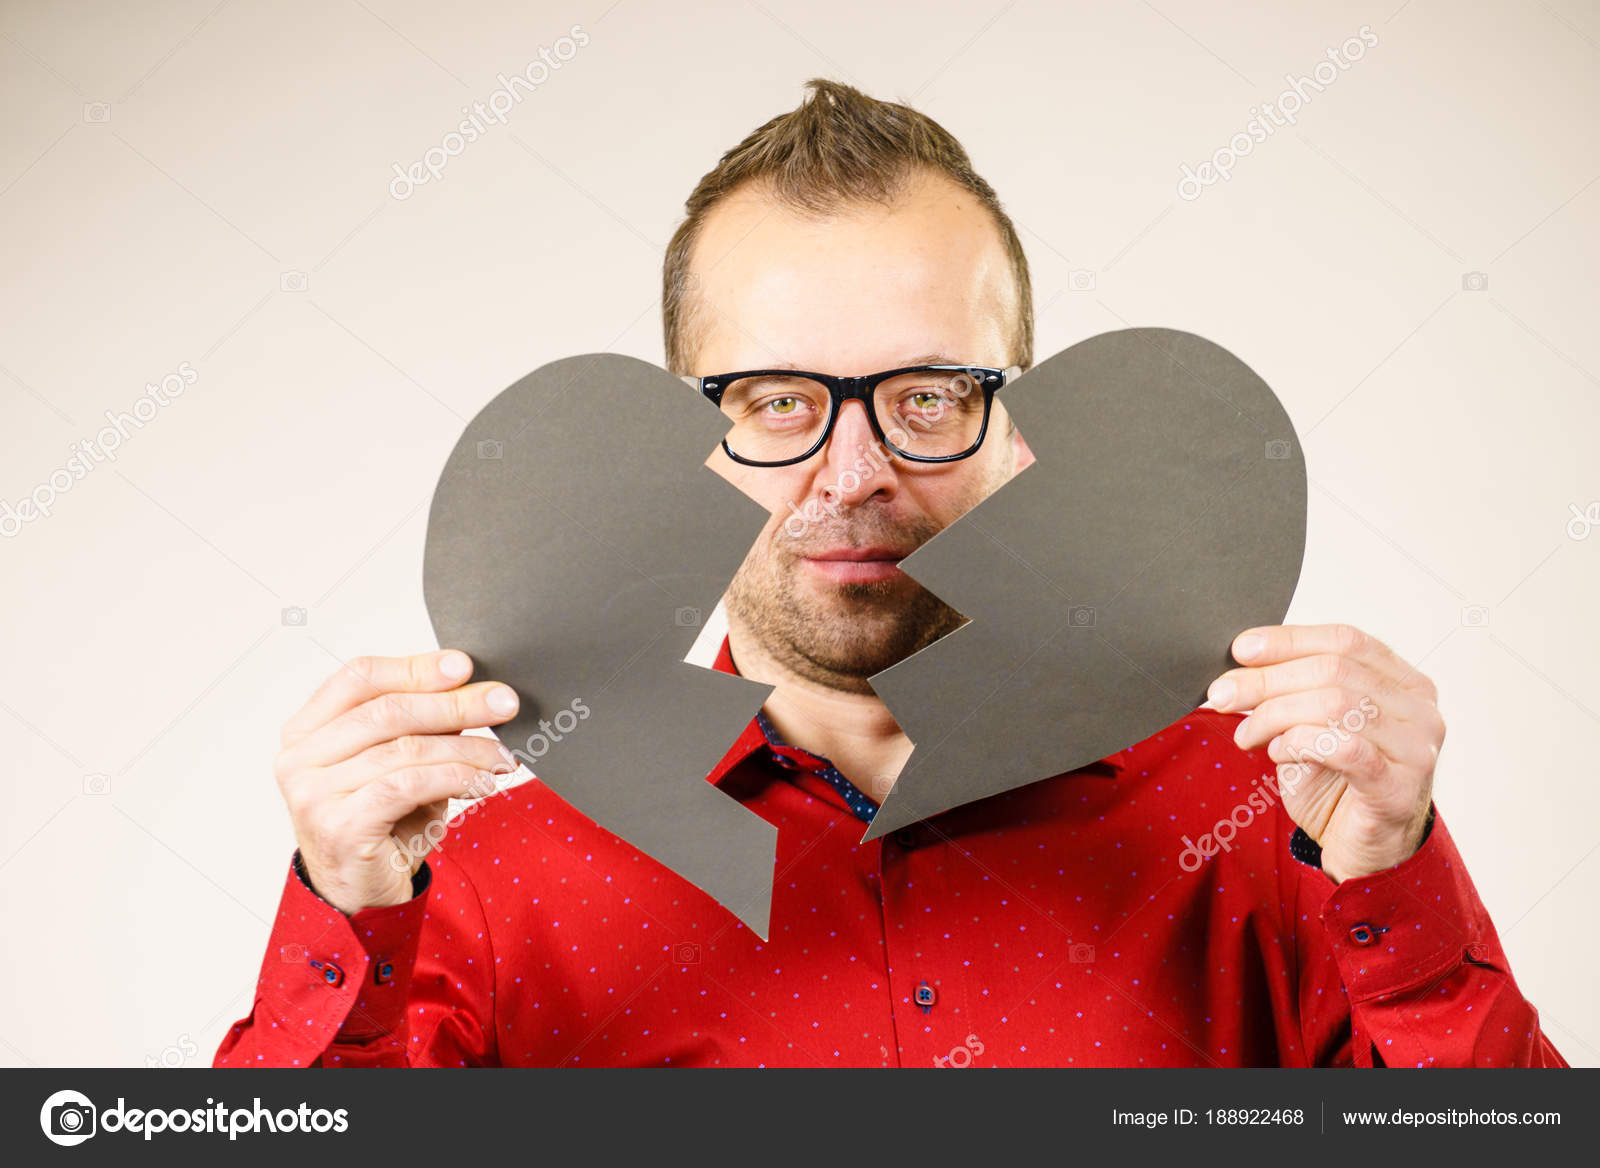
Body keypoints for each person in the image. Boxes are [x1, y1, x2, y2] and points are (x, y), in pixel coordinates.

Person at [216, 80, 1563, 1068]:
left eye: (927, 394)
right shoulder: (488, 882)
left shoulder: (1274, 819)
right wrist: (348, 913)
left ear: (1020, 431)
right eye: (776, 399)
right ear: (690, 443)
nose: (852, 472)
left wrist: (1390, 874)